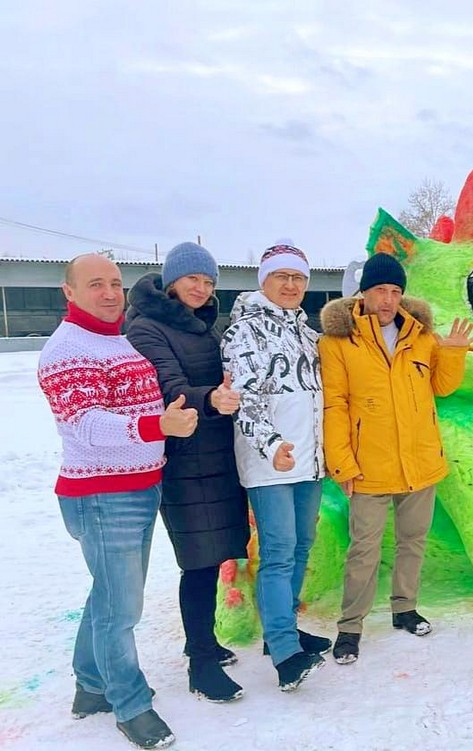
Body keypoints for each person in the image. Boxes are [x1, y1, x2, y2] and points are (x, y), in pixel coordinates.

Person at [38, 253, 197, 749]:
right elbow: (85, 425)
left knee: (108, 596)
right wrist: (155, 426)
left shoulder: (117, 340)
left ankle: (89, 686)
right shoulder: (66, 350)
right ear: (69, 292)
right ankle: (130, 705)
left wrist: (165, 420)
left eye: (115, 283)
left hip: (139, 485)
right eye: (95, 285)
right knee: (120, 608)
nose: (110, 293)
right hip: (102, 494)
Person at [318, 252, 473, 664]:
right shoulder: (337, 341)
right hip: (369, 465)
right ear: (364, 293)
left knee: (413, 541)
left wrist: (454, 352)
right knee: (363, 550)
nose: (387, 300)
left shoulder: (420, 336)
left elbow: (441, 387)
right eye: (379, 291)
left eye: (395, 291)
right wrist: (342, 464)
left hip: (420, 461)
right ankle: (350, 627)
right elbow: (333, 405)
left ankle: (405, 608)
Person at [125, 242, 250, 703]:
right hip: (182, 462)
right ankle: (200, 664)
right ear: (171, 280)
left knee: (216, 556)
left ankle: (206, 640)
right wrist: (211, 399)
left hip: (218, 456)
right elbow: (168, 388)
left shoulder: (204, 327)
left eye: (209, 281)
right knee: (197, 561)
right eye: (193, 279)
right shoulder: (147, 328)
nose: (201, 288)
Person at [220, 244, 330, 691]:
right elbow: (243, 402)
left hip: (309, 461)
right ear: (263, 280)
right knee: (279, 552)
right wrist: (271, 445)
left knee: (302, 546)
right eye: (281, 276)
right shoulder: (243, 332)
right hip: (270, 462)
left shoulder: (308, 333)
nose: (291, 285)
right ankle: (285, 652)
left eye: (298, 278)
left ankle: (283, 628)